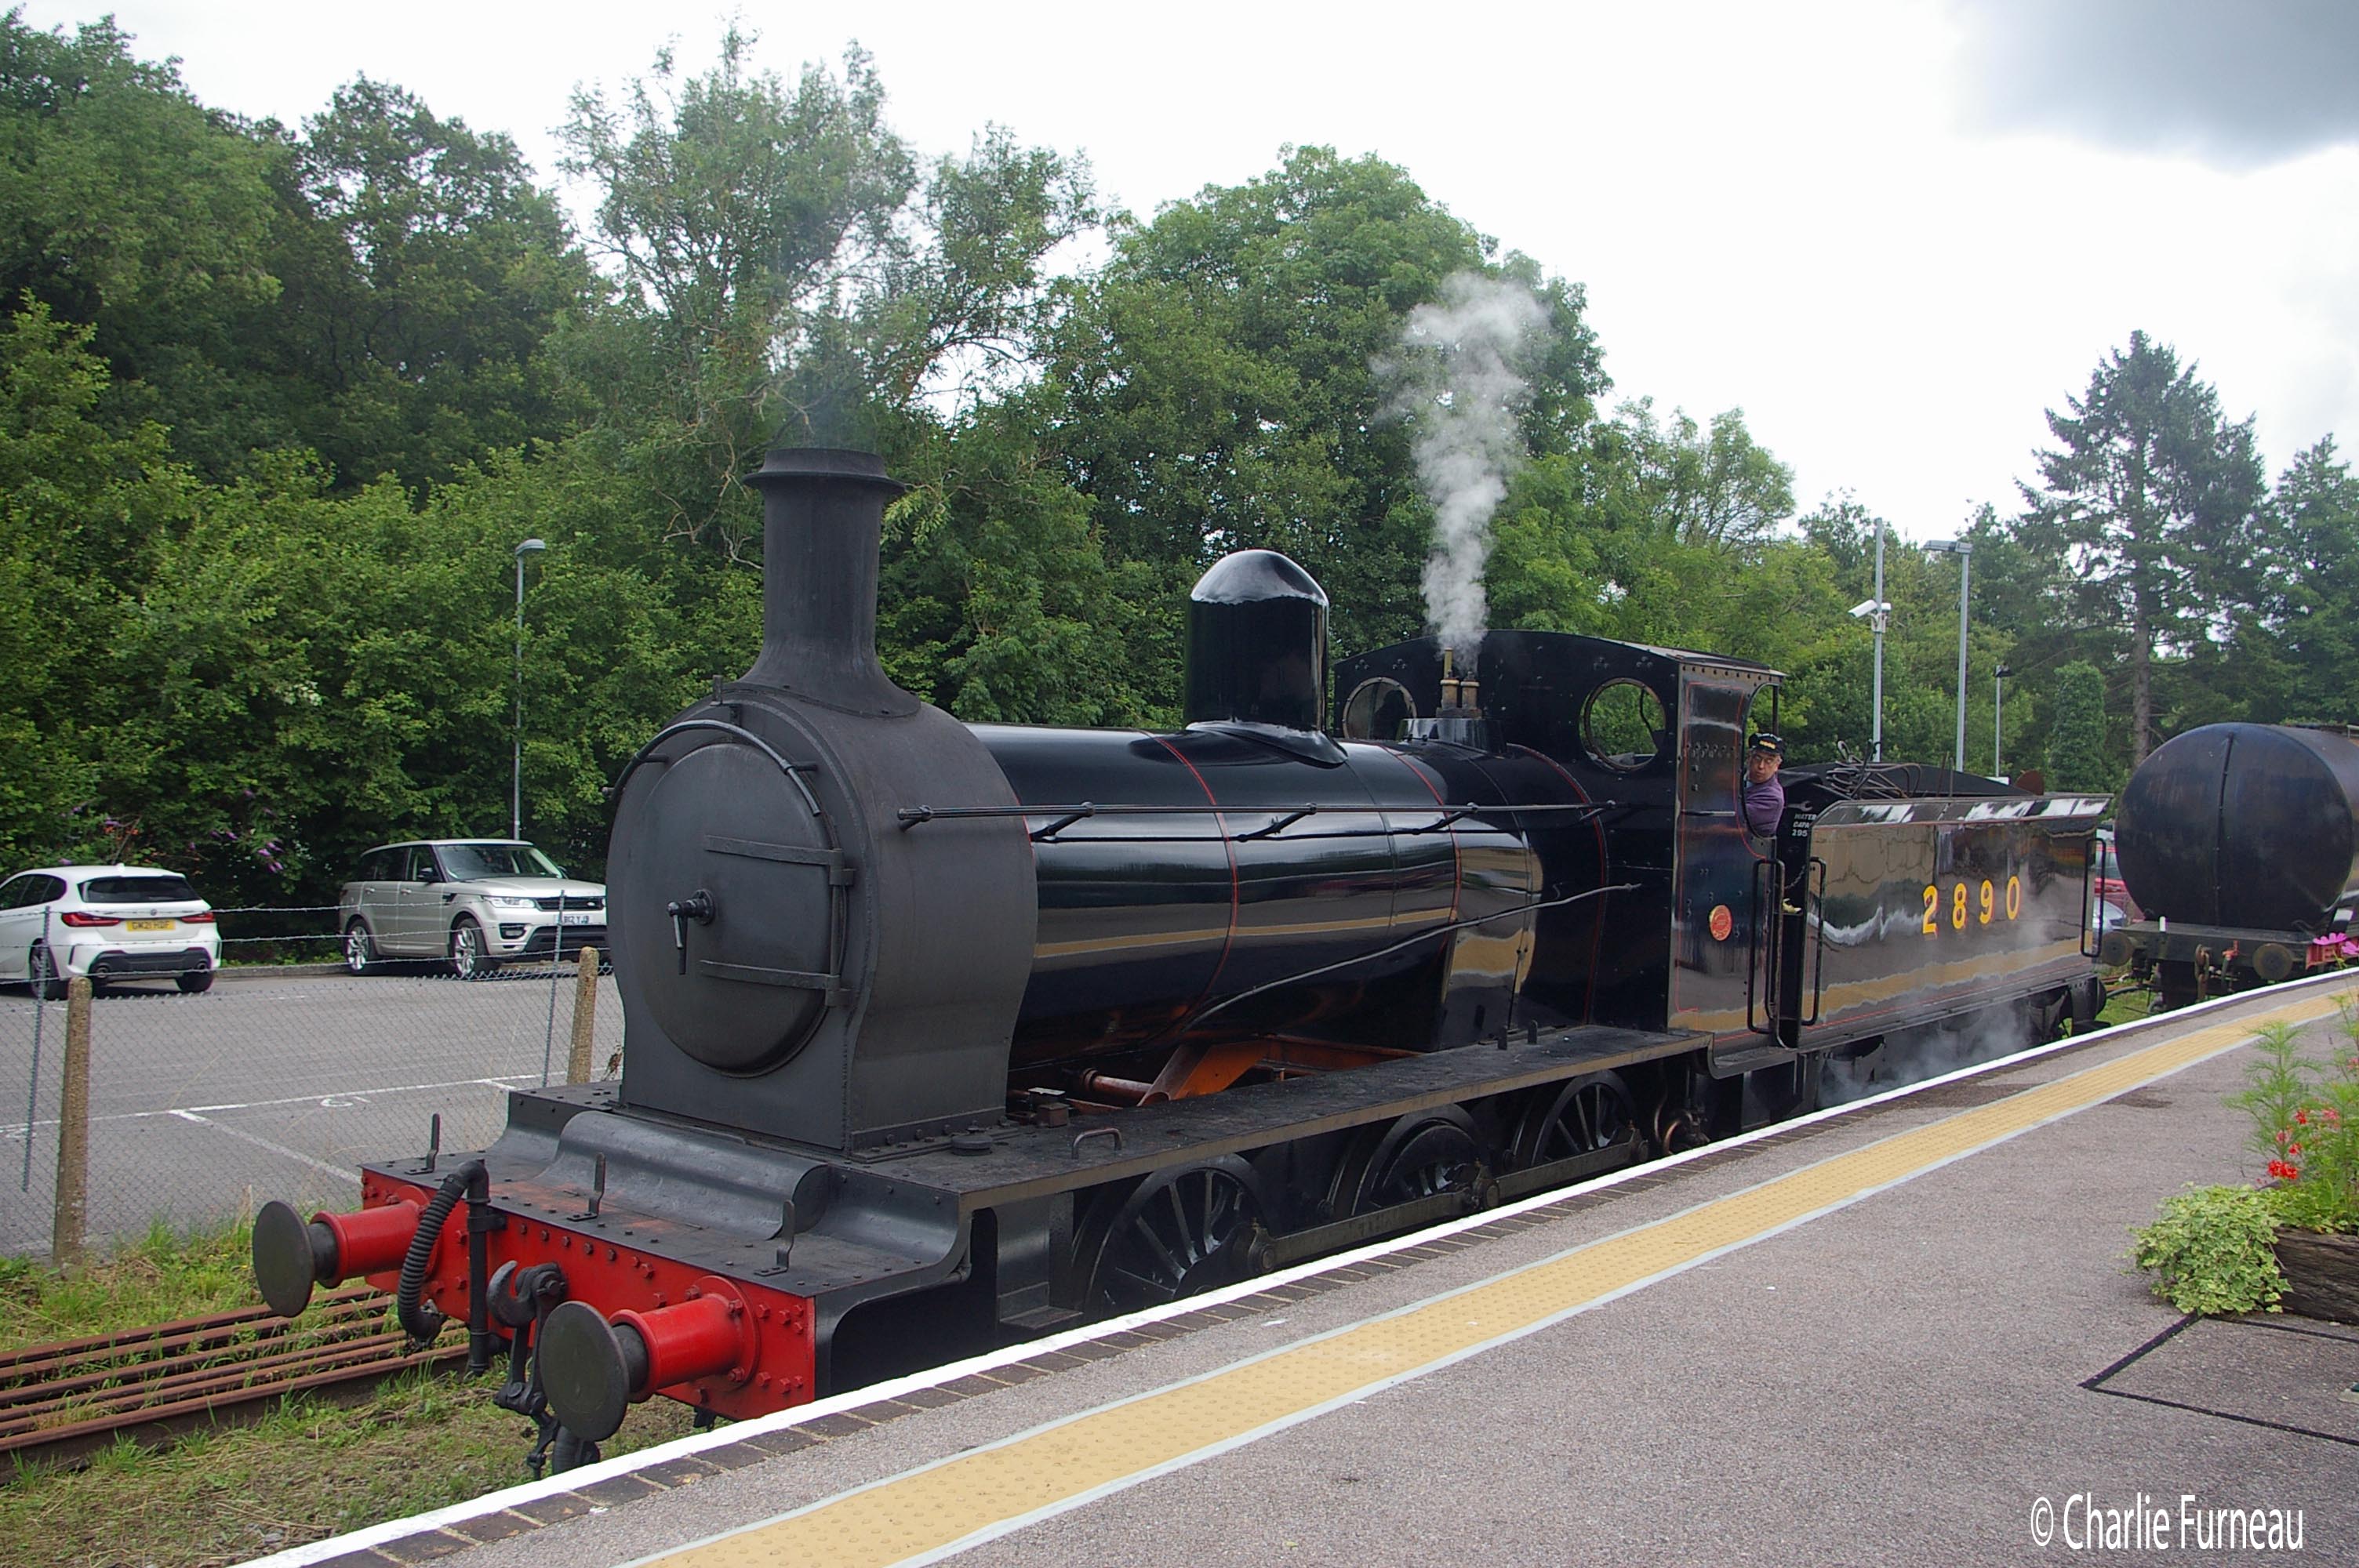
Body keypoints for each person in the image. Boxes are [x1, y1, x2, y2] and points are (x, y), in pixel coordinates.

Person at [1742, 732, 1785, 836]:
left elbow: (1732, 818)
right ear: (1749, 759)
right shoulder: (1734, 778)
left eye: (1769, 761)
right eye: (1758, 758)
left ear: (1777, 766)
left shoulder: (1772, 798)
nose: (1761, 766)